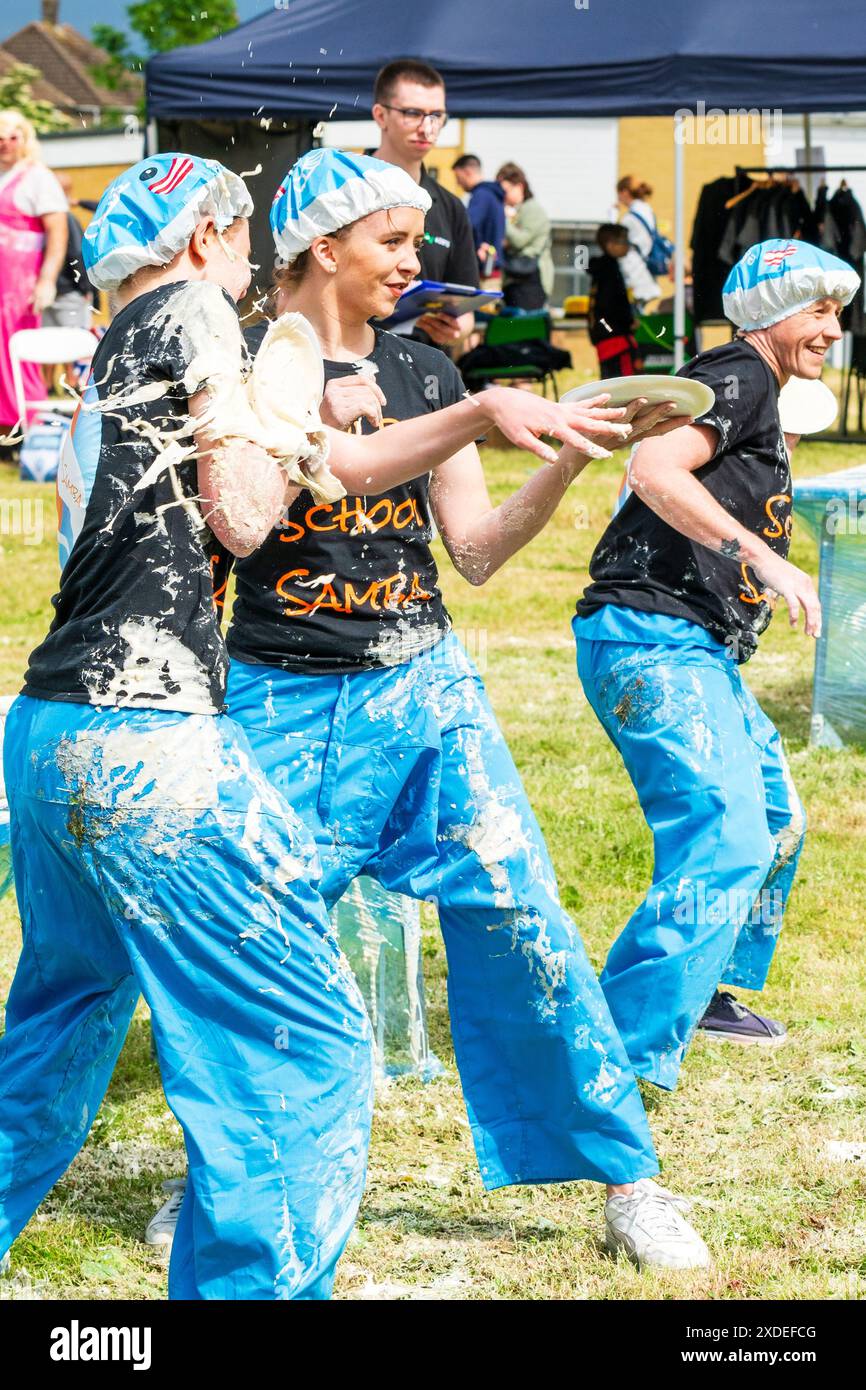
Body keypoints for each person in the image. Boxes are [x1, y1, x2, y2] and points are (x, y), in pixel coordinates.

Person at [0, 152, 606, 1300]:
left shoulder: (110, 357)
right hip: (147, 739)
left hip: (47, 726)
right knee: (309, 1048)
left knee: (58, 1028)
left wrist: (442, 411)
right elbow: (242, 519)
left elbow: (310, 474)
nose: (249, 269)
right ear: (202, 241)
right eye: (240, 246)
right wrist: (286, 399)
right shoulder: (204, 315)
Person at [212, 148, 710, 1272]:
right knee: (253, 949)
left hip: (424, 690)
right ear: (322, 246)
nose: (414, 261)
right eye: (391, 240)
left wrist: (575, 458)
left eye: (413, 239)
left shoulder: (424, 370)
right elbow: (325, 465)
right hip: (275, 700)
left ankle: (624, 1176)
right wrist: (484, 406)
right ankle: (227, 1177)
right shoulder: (246, 364)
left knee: (524, 915)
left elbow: (476, 553)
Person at [573, 239, 859, 1086]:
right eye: (821, 311)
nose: (835, 331)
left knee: (775, 822)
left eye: (838, 313)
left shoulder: (756, 387)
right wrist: (767, 561)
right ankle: (617, 1052)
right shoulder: (739, 371)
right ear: (775, 312)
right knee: (726, 837)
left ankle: (701, 990)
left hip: (696, 648)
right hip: (649, 638)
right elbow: (654, 470)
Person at [371, 59, 479, 348]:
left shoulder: (451, 206)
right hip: (353, 370)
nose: (427, 127)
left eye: (436, 115)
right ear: (381, 116)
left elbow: (467, 301)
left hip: (427, 371)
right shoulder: (346, 190)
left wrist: (458, 327)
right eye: (413, 113)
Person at [0, 109, 68, 439]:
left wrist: (46, 280)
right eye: (0, 138)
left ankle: (30, 430)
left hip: (19, 282)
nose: (5, 144)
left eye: (13, 137)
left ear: (25, 140)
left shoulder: (38, 177)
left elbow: (57, 231)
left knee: (19, 349)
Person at [589, 224, 643, 378]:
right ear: (611, 245)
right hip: (617, 337)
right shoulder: (610, 271)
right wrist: (628, 322)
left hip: (603, 336)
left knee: (609, 381)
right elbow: (613, 303)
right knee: (624, 383)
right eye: (624, 242)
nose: (627, 246)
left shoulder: (600, 271)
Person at [497, 162, 553, 311]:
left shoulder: (532, 209)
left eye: (506, 190)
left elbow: (520, 240)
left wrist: (504, 218)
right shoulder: (520, 210)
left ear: (520, 186)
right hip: (518, 279)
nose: (503, 196)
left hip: (531, 282)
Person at [41, 174, 94, 330]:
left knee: (49, 344)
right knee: (79, 341)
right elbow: (76, 253)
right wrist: (85, 288)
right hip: (70, 293)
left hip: (45, 291)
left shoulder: (36, 218)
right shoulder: (66, 218)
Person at [451, 153, 506, 277]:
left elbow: (467, 225)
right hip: (493, 268)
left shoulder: (481, 195)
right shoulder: (493, 195)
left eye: (458, 177)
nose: (458, 183)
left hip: (483, 269)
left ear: (467, 171)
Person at [615, 175, 661, 312]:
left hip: (635, 273)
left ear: (624, 192)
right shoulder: (647, 210)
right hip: (645, 272)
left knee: (633, 318)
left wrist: (613, 215)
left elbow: (614, 240)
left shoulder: (630, 218)